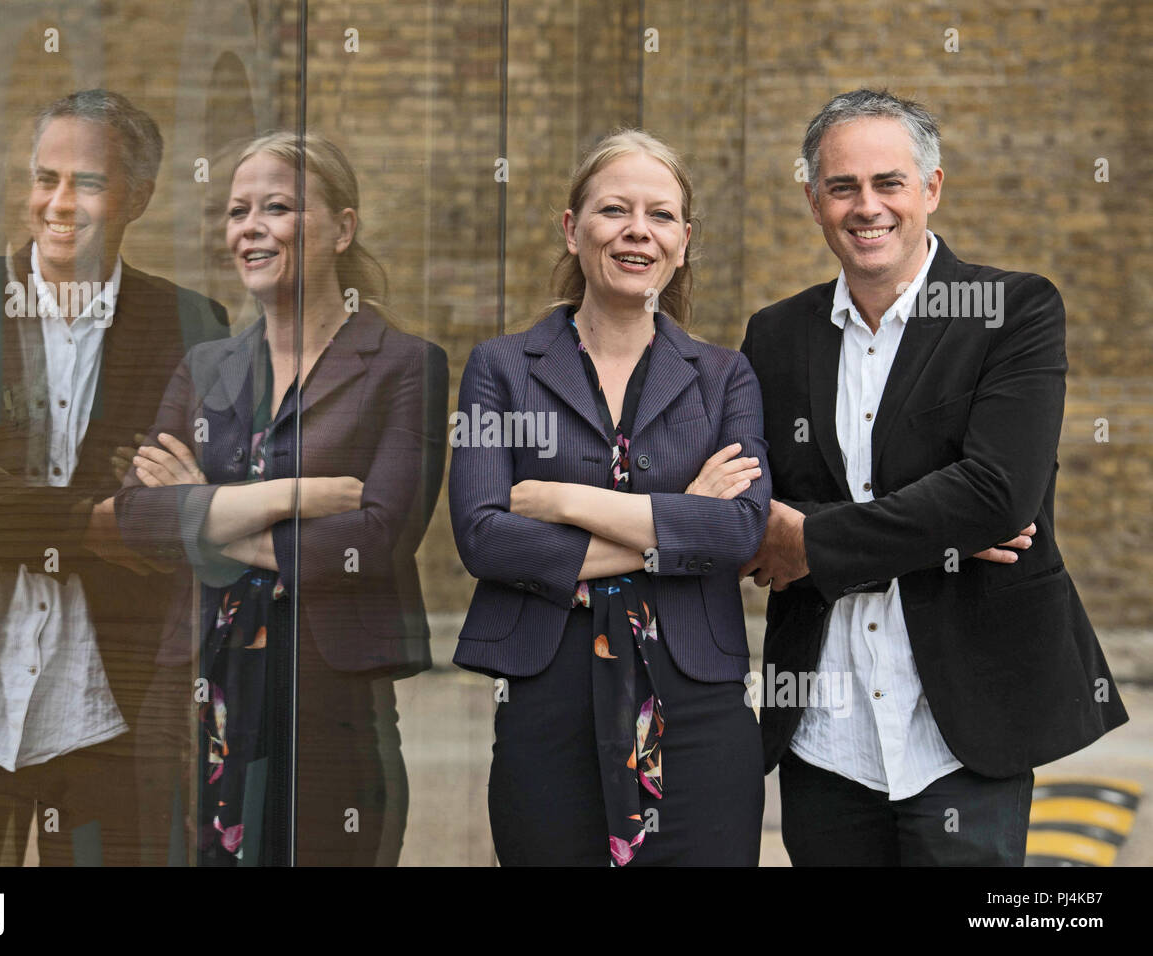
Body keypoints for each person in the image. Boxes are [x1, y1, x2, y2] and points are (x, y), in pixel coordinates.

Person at [736, 88, 1129, 865]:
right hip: (824, 730)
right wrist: (932, 525)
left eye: (889, 183)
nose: (866, 207)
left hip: (963, 729)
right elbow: (752, 502)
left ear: (931, 190)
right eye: (843, 187)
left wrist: (813, 538)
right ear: (813, 200)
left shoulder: (1013, 310)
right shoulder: (775, 335)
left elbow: (996, 494)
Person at [0, 88, 229, 865]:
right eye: (44, 177)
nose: (58, 203)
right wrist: (93, 525)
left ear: (138, 195)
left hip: (106, 704)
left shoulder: (191, 324)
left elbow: (175, 510)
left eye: (87, 183)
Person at [113, 131, 448, 866]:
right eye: (238, 212)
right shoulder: (207, 365)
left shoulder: (404, 366)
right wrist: (288, 496)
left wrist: (201, 512)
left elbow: (372, 540)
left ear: (343, 229)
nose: (250, 228)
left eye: (277, 208)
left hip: (332, 702)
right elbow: (136, 518)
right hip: (194, 693)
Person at [450, 129, 770, 866]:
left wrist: (563, 501)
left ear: (684, 242)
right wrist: (679, 517)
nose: (637, 231)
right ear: (572, 229)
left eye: (660, 215)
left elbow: (739, 533)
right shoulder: (502, 369)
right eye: (613, 210)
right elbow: (483, 536)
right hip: (548, 695)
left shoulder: (726, 377)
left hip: (698, 707)